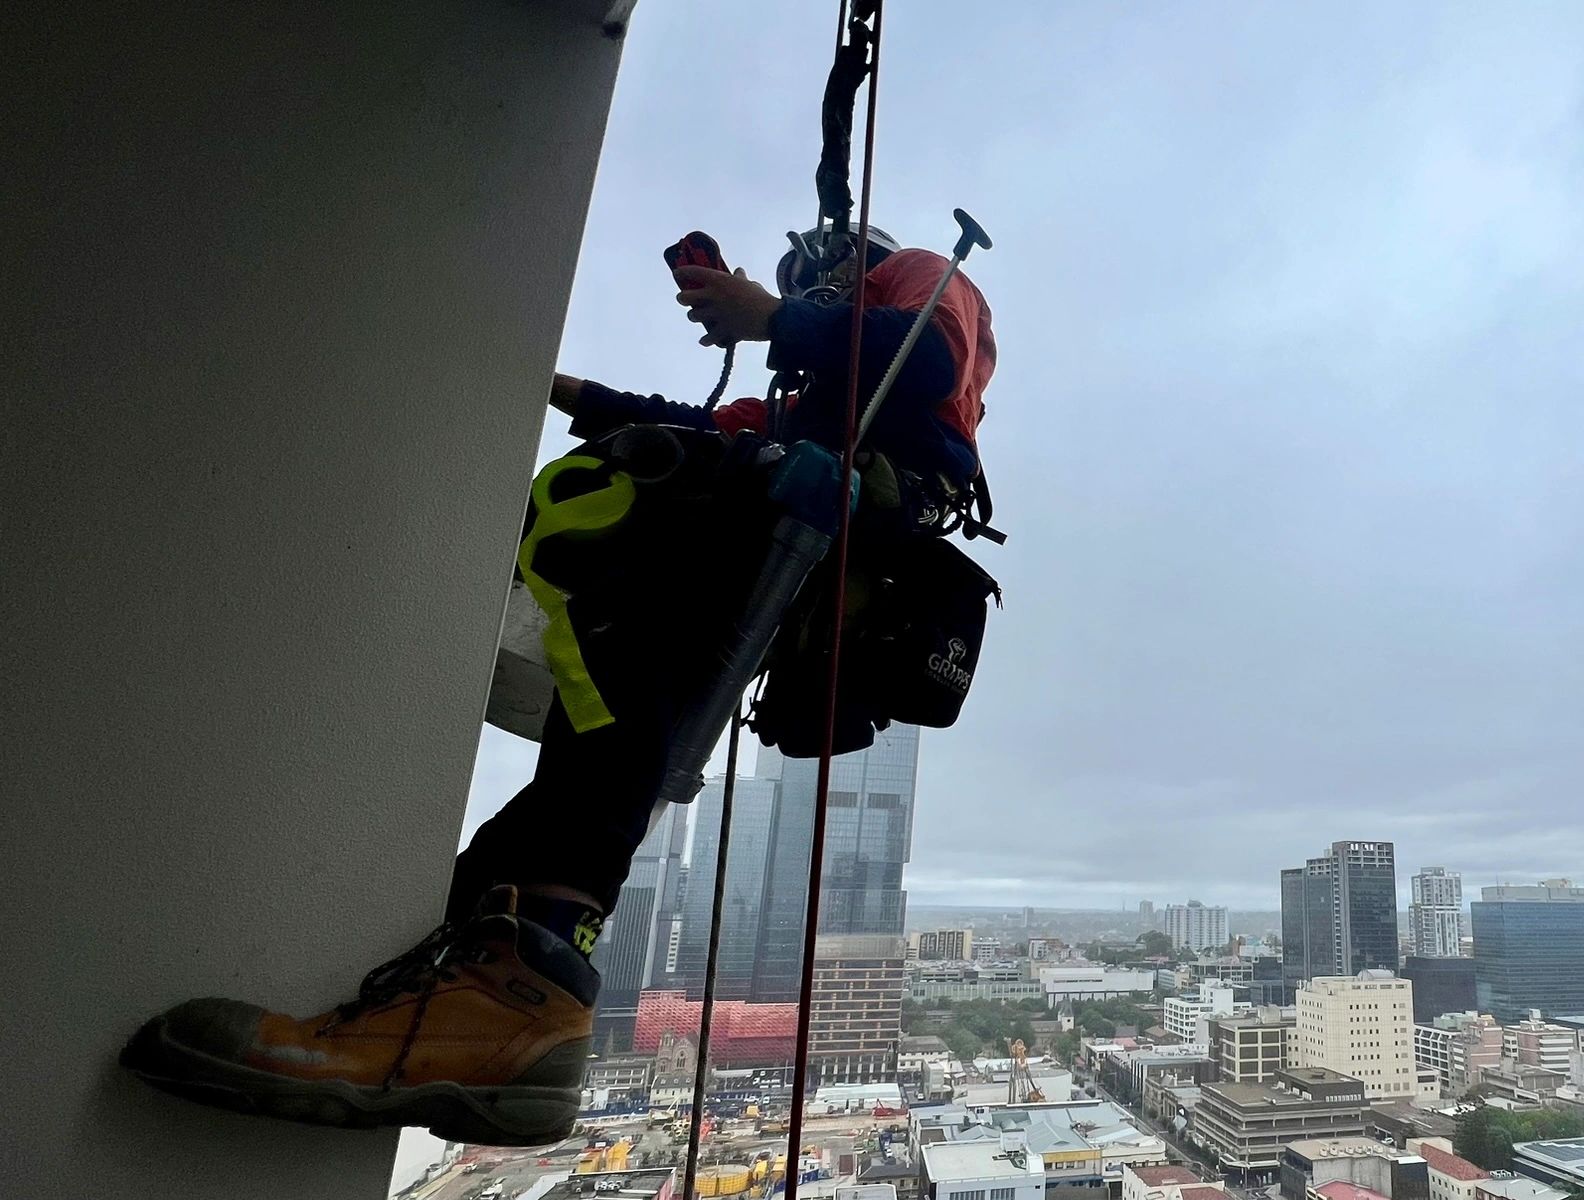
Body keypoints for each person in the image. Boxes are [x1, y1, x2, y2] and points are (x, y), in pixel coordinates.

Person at [120, 227, 994, 1146]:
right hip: (811, 501)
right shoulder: (818, 400)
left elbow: (931, 354)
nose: (824, 290)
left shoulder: (921, 280)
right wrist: (543, 379)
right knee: (574, 770)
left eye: (821, 280)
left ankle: (525, 984)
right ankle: (477, 984)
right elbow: (708, 423)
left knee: (611, 525)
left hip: (859, 507)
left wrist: (773, 316)